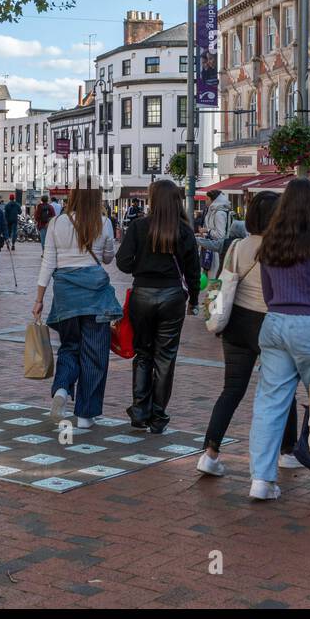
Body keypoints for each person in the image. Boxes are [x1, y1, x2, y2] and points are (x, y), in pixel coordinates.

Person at [246, 178, 310, 500]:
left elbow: (268, 293)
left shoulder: (270, 243)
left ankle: (261, 480)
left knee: (269, 403)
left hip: (274, 323)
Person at [198, 192, 283, 476]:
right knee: (280, 388)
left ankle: (209, 452)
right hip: (268, 324)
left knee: (232, 389)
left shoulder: (237, 246)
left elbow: (224, 282)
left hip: (236, 323)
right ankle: (290, 450)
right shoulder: (281, 247)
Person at [116, 178, 201, 434]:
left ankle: (140, 409)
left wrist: (140, 266)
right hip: (173, 296)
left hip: (143, 294)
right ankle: (158, 414)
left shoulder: (139, 227)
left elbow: (122, 262)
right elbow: (193, 271)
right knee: (165, 358)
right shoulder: (184, 231)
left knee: (143, 353)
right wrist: (194, 300)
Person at [33, 184, 120, 428]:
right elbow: (107, 258)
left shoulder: (57, 223)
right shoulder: (103, 222)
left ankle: (61, 389)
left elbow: (48, 262)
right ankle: (85, 414)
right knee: (95, 353)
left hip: (65, 294)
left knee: (70, 347)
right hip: (95, 297)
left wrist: (39, 299)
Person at [197, 190, 234, 277]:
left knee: (214, 275)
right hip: (213, 248)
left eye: (207, 199)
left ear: (214, 200)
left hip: (217, 250)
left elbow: (221, 235)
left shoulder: (219, 213)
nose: (205, 201)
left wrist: (207, 231)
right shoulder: (215, 211)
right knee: (210, 274)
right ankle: (212, 290)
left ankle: (213, 291)